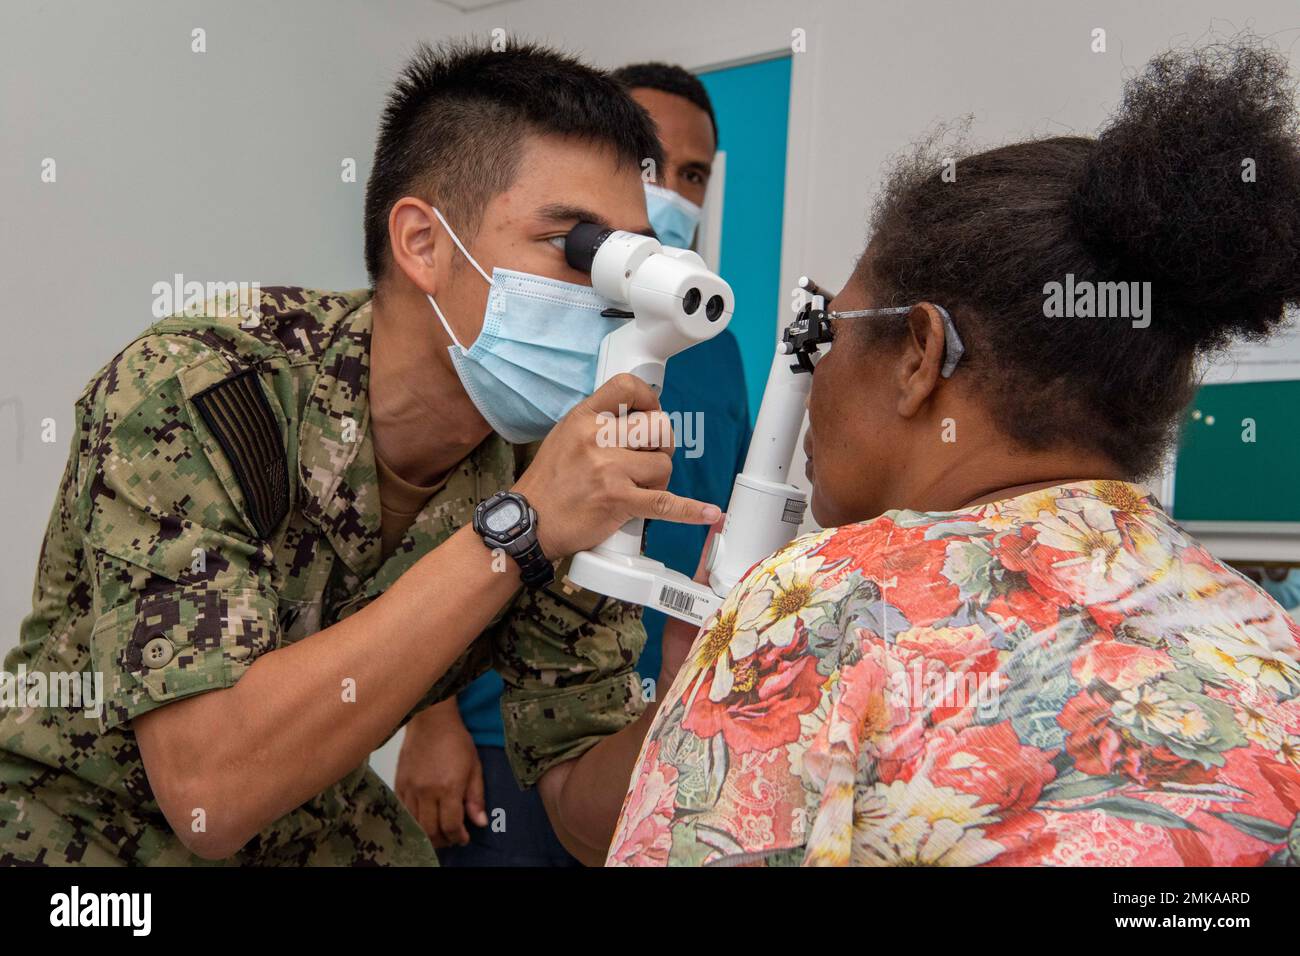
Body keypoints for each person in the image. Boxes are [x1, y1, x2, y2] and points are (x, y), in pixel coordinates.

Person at [0, 39, 722, 866]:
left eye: (629, 264)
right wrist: (518, 533)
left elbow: (587, 817)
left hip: (308, 814)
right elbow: (209, 793)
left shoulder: (550, 463)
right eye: (577, 250)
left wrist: (691, 693)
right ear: (423, 243)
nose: (608, 300)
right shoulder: (203, 388)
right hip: (80, 825)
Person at [609, 41, 1300, 867]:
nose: (813, 373)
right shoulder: (1267, 634)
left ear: (919, 354)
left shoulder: (815, 615)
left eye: (831, 332)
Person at [403, 61, 752, 865]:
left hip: (633, 712)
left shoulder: (719, 348)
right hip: (494, 720)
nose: (671, 190)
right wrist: (432, 716)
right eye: (649, 166)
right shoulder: (538, 340)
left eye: (692, 174)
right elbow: (443, 528)